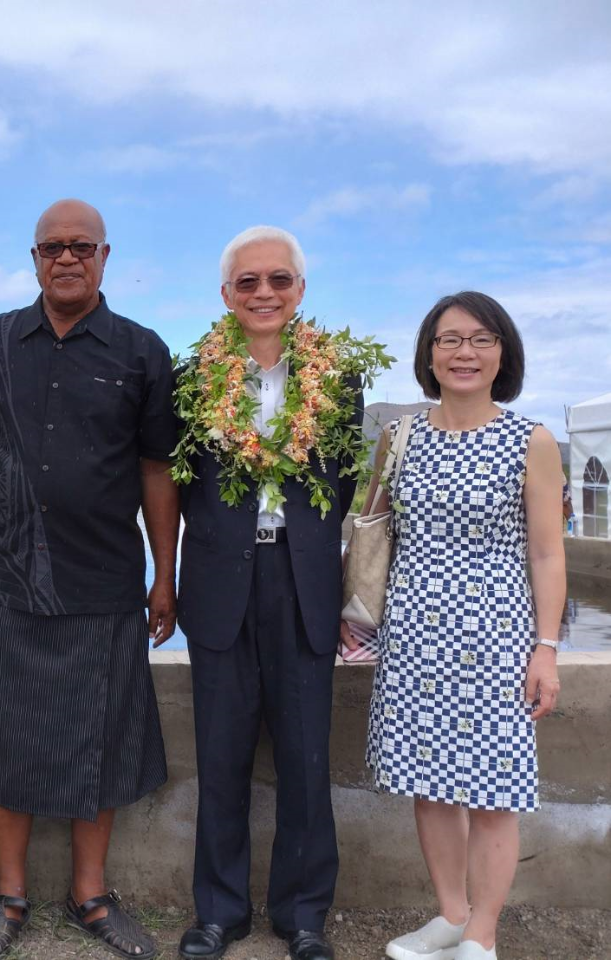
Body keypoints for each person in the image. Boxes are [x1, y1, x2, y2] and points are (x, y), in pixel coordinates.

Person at [0, 199, 178, 960]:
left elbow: (156, 470)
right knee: (8, 742)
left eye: (81, 245)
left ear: (106, 256)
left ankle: (91, 894)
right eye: (52, 247)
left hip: (105, 578)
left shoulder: (143, 351)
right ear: (35, 258)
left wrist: (164, 576)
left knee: (104, 743)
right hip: (4, 576)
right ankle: (9, 895)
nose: (67, 257)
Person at [351, 292, 564, 960]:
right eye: (449, 340)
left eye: (480, 339)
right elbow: (373, 531)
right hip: (414, 635)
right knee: (430, 784)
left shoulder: (530, 440)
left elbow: (547, 551)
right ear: (429, 353)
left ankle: (482, 935)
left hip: (497, 634)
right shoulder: (400, 435)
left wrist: (547, 648)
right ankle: (448, 915)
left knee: (494, 791)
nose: (464, 352)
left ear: (503, 352)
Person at [176, 227, 362, 960]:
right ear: (226, 295)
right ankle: (219, 912)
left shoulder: (338, 379)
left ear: (300, 291)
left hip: (301, 578)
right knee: (220, 758)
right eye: (248, 282)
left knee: (307, 761)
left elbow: (343, 484)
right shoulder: (195, 377)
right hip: (224, 579)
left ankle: (303, 914)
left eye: (278, 280)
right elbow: (176, 478)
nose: (263, 293)